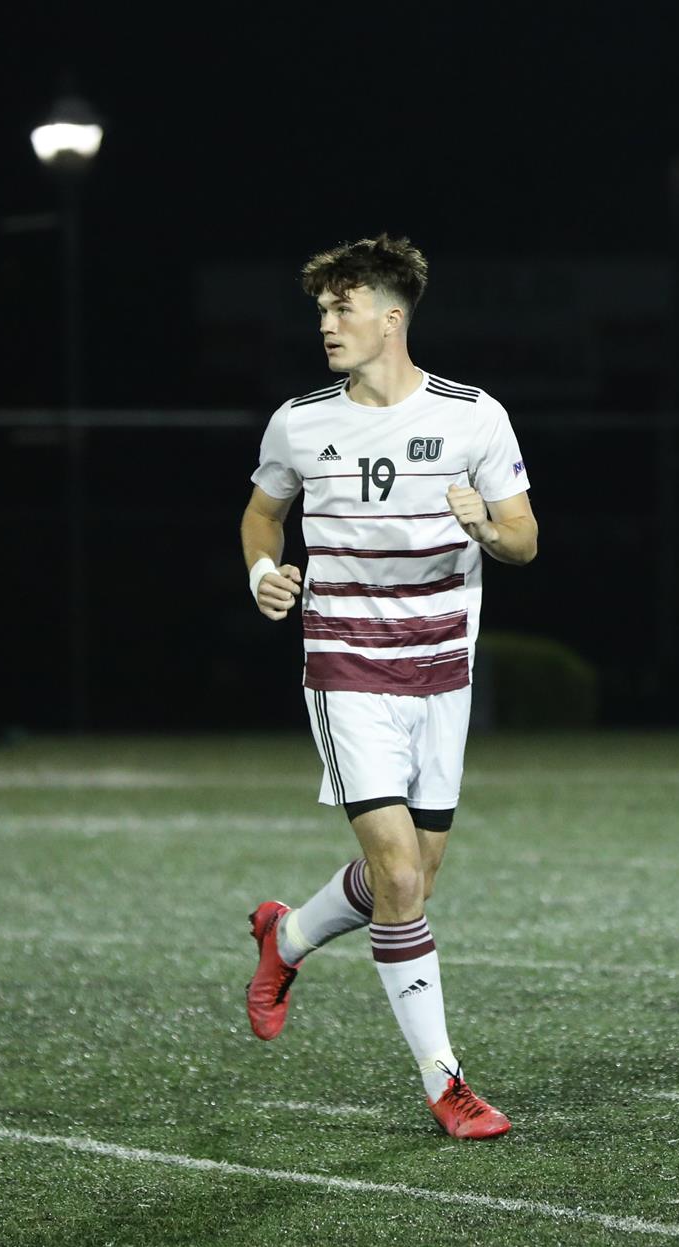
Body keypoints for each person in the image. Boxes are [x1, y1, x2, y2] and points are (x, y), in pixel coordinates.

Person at [239, 234, 537, 1139]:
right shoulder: (299, 421)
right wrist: (264, 573)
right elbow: (263, 512)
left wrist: (483, 519)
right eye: (322, 309)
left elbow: (525, 539)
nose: (327, 324)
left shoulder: (475, 415)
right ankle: (446, 1083)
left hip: (443, 672)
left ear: (391, 316)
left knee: (413, 881)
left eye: (343, 307)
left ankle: (285, 937)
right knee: (400, 873)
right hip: (346, 668)